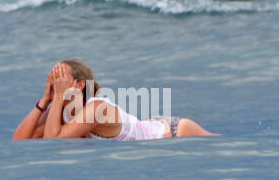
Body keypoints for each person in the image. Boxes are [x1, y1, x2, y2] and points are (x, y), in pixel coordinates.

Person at [12, 59, 215, 140]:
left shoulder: (96, 109)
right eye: (52, 78)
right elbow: (19, 141)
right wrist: (43, 102)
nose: (54, 82)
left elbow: (53, 142)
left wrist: (56, 97)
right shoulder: (61, 112)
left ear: (79, 85)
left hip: (175, 132)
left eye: (60, 78)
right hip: (150, 126)